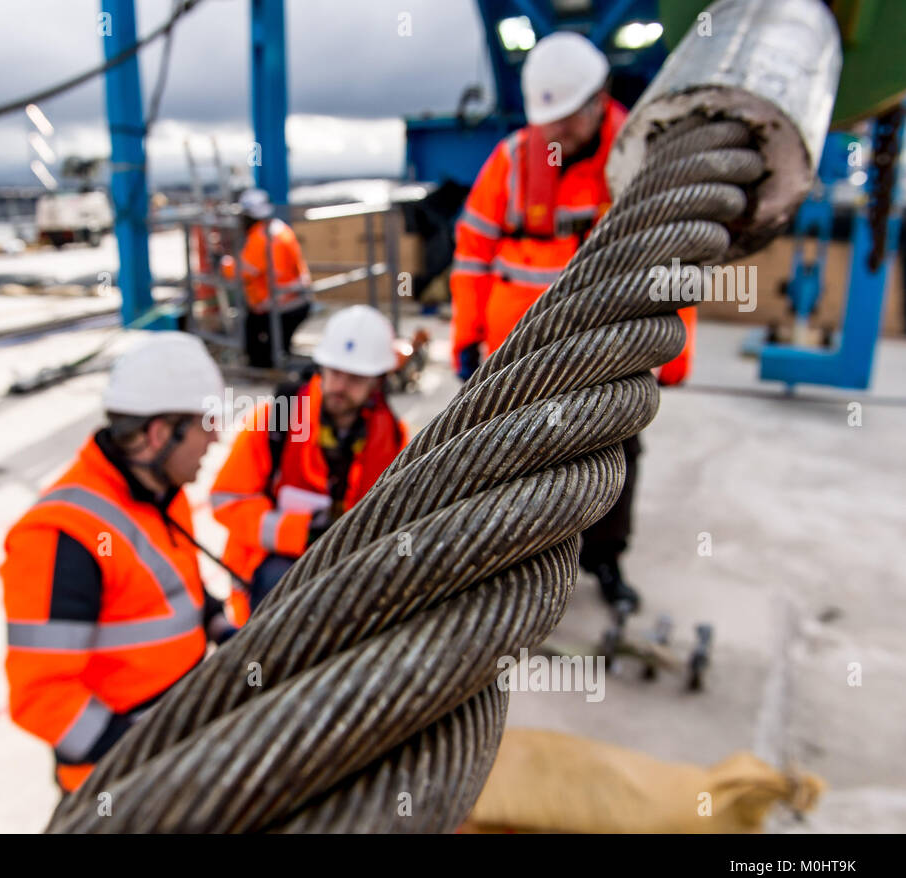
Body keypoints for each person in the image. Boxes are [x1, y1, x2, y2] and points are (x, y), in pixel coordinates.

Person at [449, 31, 696, 611]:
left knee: (615, 452)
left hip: (607, 347)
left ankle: (605, 559)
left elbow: (674, 258)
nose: (553, 132)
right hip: (518, 353)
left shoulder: (638, 161)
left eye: (565, 118)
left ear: (599, 100)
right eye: (547, 120)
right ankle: (520, 564)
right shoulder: (511, 161)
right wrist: (464, 337)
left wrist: (675, 349)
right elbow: (471, 252)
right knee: (513, 456)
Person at [0, 332, 235, 794]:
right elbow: (40, 697)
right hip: (116, 786)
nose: (216, 435)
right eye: (207, 422)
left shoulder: (160, 491)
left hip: (180, 736)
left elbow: (172, 588)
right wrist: (140, 756)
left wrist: (218, 624)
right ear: (159, 433)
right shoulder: (62, 537)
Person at [210, 305, 408, 625]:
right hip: (273, 568)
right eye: (334, 372)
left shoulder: (394, 438)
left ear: (378, 381)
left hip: (353, 565)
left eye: (355, 378)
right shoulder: (275, 420)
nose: (340, 387)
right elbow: (227, 501)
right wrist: (301, 532)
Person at [222, 187, 313, 367]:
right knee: (277, 346)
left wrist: (223, 264)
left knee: (257, 349)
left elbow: (242, 272)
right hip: (297, 301)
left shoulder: (260, 238)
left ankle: (266, 370)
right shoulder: (280, 229)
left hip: (279, 306)